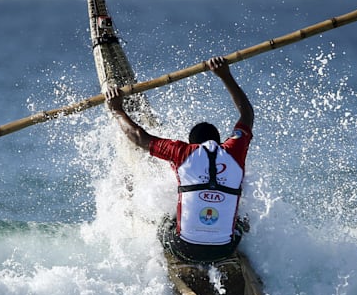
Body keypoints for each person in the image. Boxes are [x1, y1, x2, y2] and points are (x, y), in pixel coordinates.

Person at [104, 56, 254, 263]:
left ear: (192, 143)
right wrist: (224, 75)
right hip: (226, 249)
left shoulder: (182, 152)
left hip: (185, 249)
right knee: (243, 220)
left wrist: (116, 110)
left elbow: (138, 137)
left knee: (164, 221)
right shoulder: (235, 151)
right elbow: (247, 115)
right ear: (219, 142)